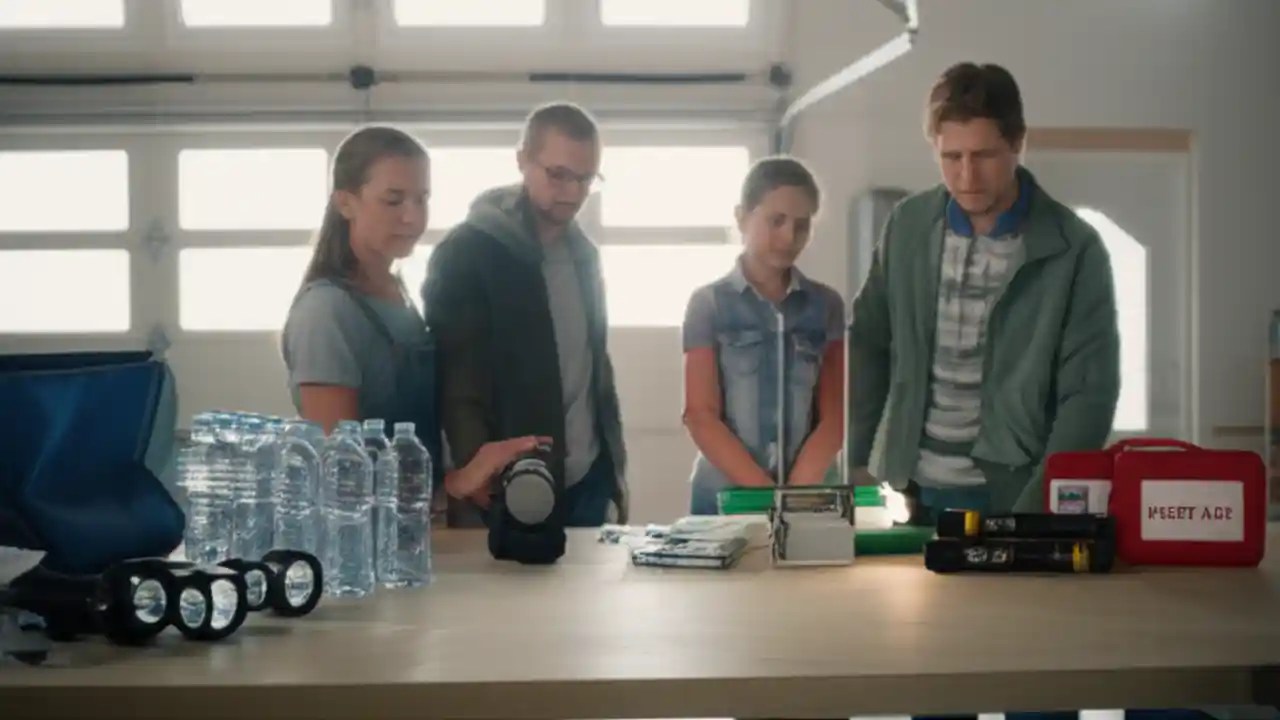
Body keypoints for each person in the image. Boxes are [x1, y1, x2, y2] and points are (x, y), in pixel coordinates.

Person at [847, 62, 1121, 527]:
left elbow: (1088, 396)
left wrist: (1040, 504)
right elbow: (868, 343)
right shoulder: (908, 225)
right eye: (952, 157)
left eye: (985, 155)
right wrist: (857, 463)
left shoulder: (1074, 248)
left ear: (1017, 144)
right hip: (910, 491)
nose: (967, 176)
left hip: (1015, 495)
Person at [281, 125, 549, 514]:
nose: (412, 217)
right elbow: (339, 477)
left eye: (421, 199)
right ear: (345, 203)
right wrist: (454, 485)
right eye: (393, 200)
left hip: (415, 530)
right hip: (362, 547)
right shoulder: (326, 313)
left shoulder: (398, 293)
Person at [421, 102, 628, 528]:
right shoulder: (468, 252)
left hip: (587, 481)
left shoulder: (584, 255)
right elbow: (457, 377)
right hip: (508, 484)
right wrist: (476, 468)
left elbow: (593, 368)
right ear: (522, 160)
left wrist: (611, 470)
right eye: (558, 174)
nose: (572, 191)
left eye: (585, 178)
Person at [681, 156, 845, 515]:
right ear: (742, 217)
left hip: (809, 496)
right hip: (725, 497)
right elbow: (700, 415)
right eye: (776, 221)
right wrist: (766, 496)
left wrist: (795, 496)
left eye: (802, 225)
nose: (789, 237)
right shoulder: (708, 304)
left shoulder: (827, 305)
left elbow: (834, 418)